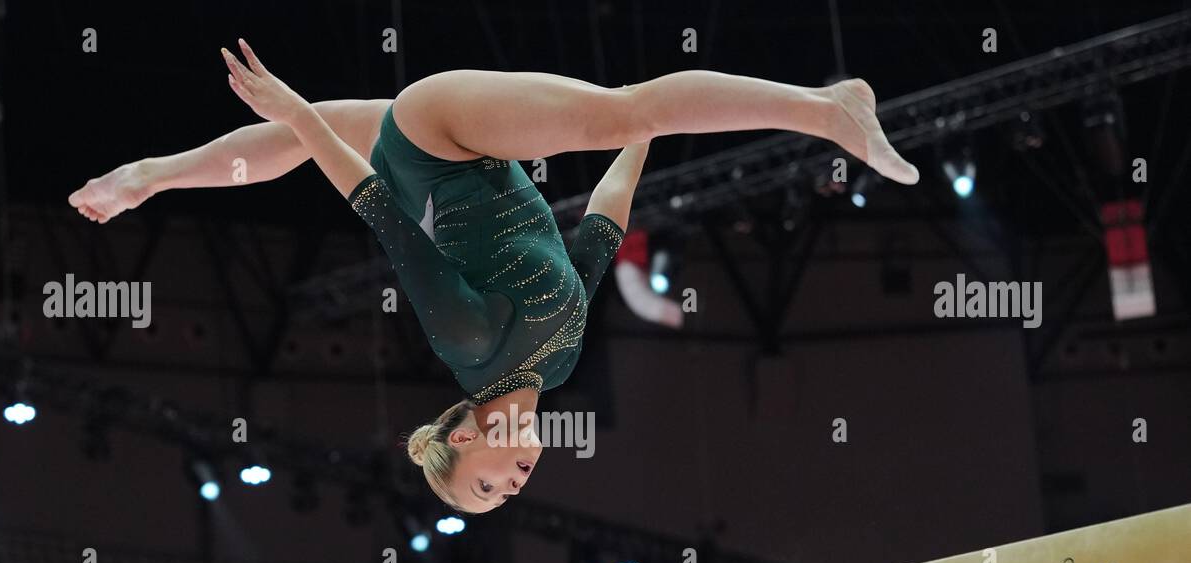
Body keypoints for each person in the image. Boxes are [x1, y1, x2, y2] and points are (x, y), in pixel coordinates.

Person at [70, 39, 918, 512]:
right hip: (444, 157)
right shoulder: (553, 365)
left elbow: (380, 214)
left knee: (312, 134)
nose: (513, 482)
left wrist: (293, 110)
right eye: (505, 495)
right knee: (629, 112)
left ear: (465, 434)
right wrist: (641, 135)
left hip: (442, 141)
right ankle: (153, 172)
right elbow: (599, 232)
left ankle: (828, 109)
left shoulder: (470, 343)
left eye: (486, 480)